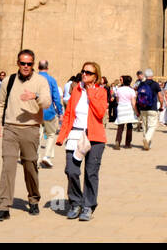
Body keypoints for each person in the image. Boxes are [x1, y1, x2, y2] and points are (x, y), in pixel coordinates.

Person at [0, 48, 51, 221]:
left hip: (31, 129)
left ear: (33, 64)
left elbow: (47, 102)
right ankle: (3, 206)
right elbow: (0, 103)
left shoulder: (41, 81)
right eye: (23, 63)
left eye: (29, 64)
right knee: (8, 166)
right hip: (10, 128)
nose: (26, 66)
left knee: (30, 166)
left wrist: (35, 96)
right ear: (18, 63)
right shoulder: (8, 80)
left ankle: (33, 199)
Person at [56, 60, 107, 221]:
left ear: (96, 76)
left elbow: (100, 113)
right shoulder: (76, 91)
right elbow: (69, 114)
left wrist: (91, 93)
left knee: (91, 173)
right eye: (83, 71)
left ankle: (88, 206)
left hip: (95, 137)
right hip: (75, 135)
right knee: (71, 170)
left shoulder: (101, 92)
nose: (84, 74)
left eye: (89, 73)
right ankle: (75, 202)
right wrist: (61, 136)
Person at [37, 59, 63, 169]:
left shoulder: (33, 79)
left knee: (37, 135)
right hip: (48, 111)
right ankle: (47, 156)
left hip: (35, 111)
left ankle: (35, 157)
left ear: (38, 67)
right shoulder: (51, 80)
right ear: (47, 68)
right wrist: (60, 112)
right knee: (51, 134)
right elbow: (56, 97)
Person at [135, 69, 160, 151]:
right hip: (152, 108)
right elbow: (160, 96)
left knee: (145, 126)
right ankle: (147, 139)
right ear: (152, 76)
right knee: (152, 126)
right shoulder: (155, 84)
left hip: (143, 107)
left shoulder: (141, 84)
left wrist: (137, 107)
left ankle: (148, 144)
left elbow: (137, 95)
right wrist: (162, 105)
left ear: (145, 76)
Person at [112, 74, 138, 148]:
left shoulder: (119, 89)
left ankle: (118, 141)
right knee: (129, 127)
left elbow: (117, 100)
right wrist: (136, 112)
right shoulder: (131, 90)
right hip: (129, 109)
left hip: (121, 108)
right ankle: (128, 143)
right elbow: (133, 103)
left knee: (120, 127)